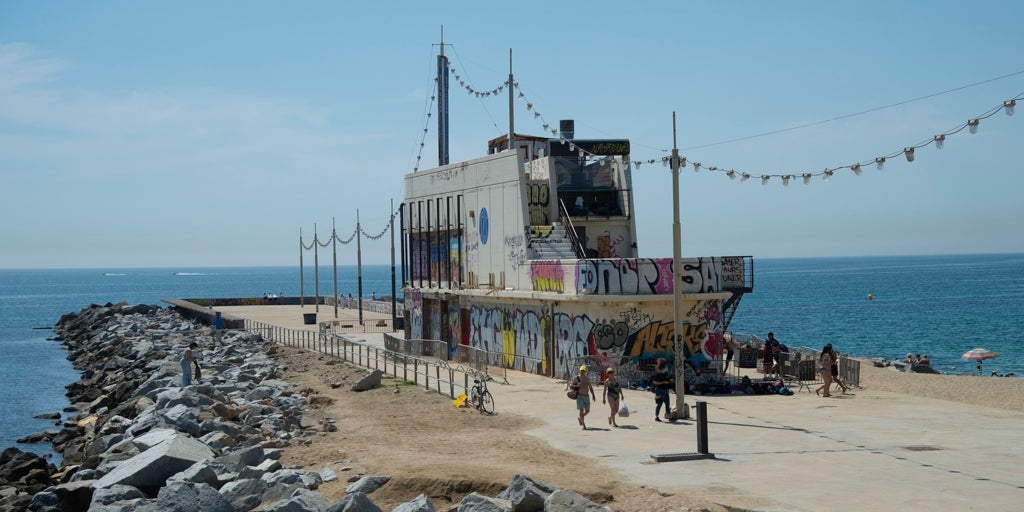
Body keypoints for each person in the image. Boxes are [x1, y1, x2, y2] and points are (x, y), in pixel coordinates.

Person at [571, 365, 597, 430]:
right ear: (579, 370)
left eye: (583, 371)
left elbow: (590, 387)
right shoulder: (576, 378)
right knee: (581, 410)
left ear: (585, 371)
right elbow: (571, 386)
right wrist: (577, 385)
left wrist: (593, 395)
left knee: (587, 411)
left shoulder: (587, 378)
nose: (582, 372)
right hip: (579, 396)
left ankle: (580, 418)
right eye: (581, 370)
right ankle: (584, 425)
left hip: (586, 396)